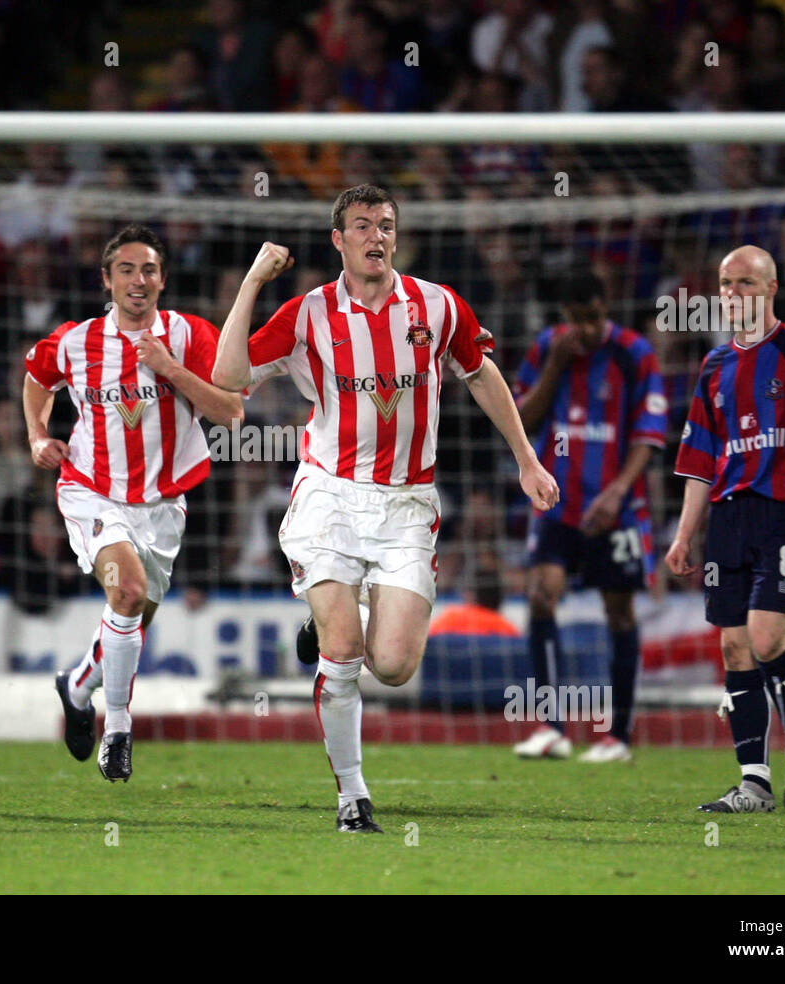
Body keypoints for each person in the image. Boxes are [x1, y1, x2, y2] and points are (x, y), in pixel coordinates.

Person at [212, 184, 558, 833]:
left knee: (394, 666)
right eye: (363, 225)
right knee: (343, 654)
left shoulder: (437, 306)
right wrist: (254, 280)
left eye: (387, 225)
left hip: (406, 503)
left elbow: (481, 374)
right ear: (338, 240)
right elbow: (229, 376)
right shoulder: (308, 314)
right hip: (330, 496)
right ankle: (352, 797)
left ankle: (337, 614)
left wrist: (527, 459)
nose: (377, 236)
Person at [23, 224, 242, 782]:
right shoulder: (75, 341)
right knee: (127, 591)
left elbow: (230, 412)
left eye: (148, 269)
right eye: (126, 269)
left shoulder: (191, 335)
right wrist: (37, 434)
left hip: (164, 506)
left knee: (130, 615)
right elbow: (36, 378)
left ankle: (76, 687)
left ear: (163, 279)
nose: (137, 280)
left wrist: (169, 367)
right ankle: (116, 728)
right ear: (107, 280)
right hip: (91, 490)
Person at [667, 245, 785, 814]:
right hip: (729, 516)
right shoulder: (715, 365)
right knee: (734, 646)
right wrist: (682, 535)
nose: (733, 293)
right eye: (726, 283)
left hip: (784, 512)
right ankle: (754, 783)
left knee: (769, 639)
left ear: (772, 290)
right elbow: (699, 459)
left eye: (746, 283)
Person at [510, 271, 667, 763]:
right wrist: (555, 365)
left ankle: (618, 736)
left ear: (607, 307)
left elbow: (650, 434)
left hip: (617, 508)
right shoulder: (547, 349)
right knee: (540, 597)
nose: (588, 330)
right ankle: (551, 727)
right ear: (564, 318)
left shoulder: (634, 353)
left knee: (618, 611)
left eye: (595, 318)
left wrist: (618, 492)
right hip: (558, 501)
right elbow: (521, 419)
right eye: (578, 321)